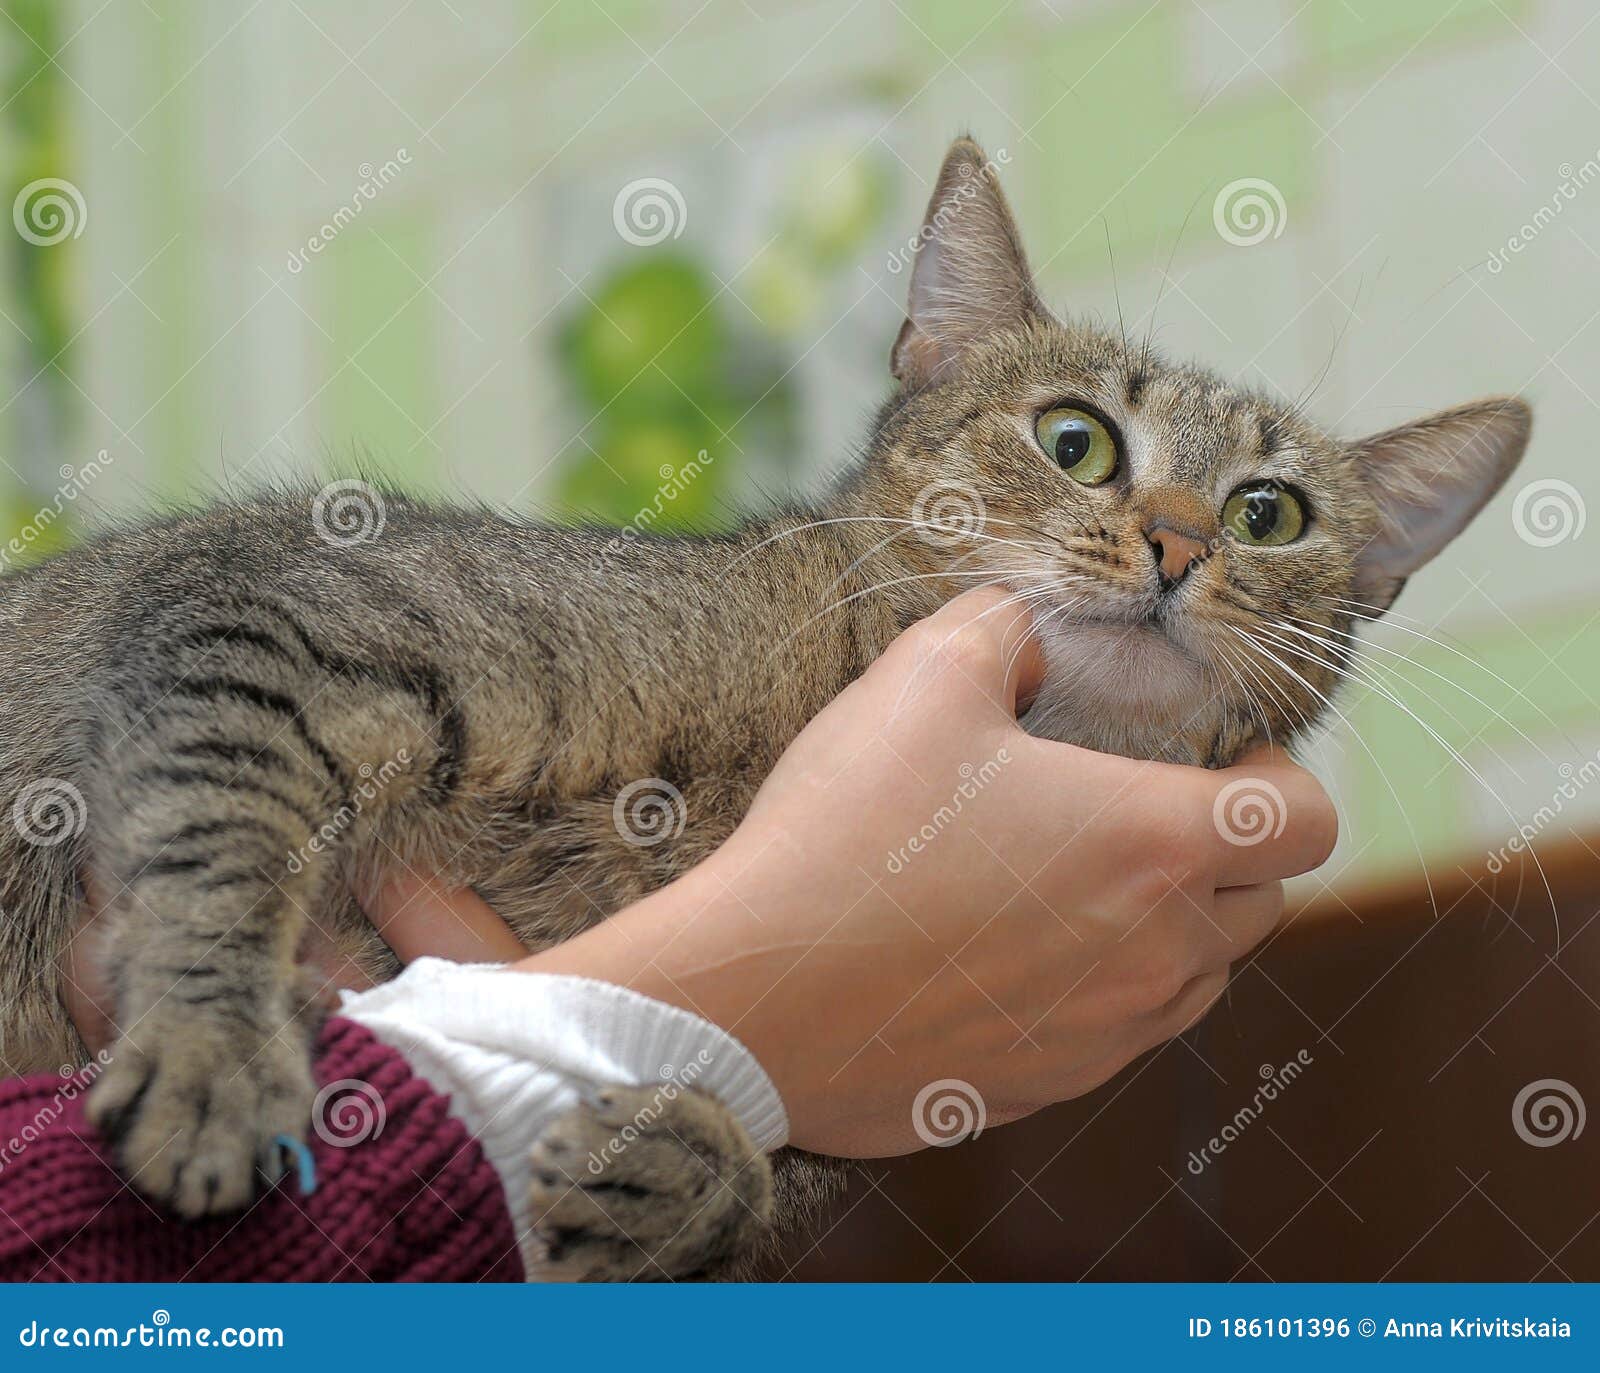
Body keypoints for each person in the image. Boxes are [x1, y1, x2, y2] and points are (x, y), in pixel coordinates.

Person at [2, 588, 1335, 1280]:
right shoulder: (667, 631)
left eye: (1267, 519)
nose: (1168, 539)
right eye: (1076, 444)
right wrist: (206, 971)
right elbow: (215, 640)